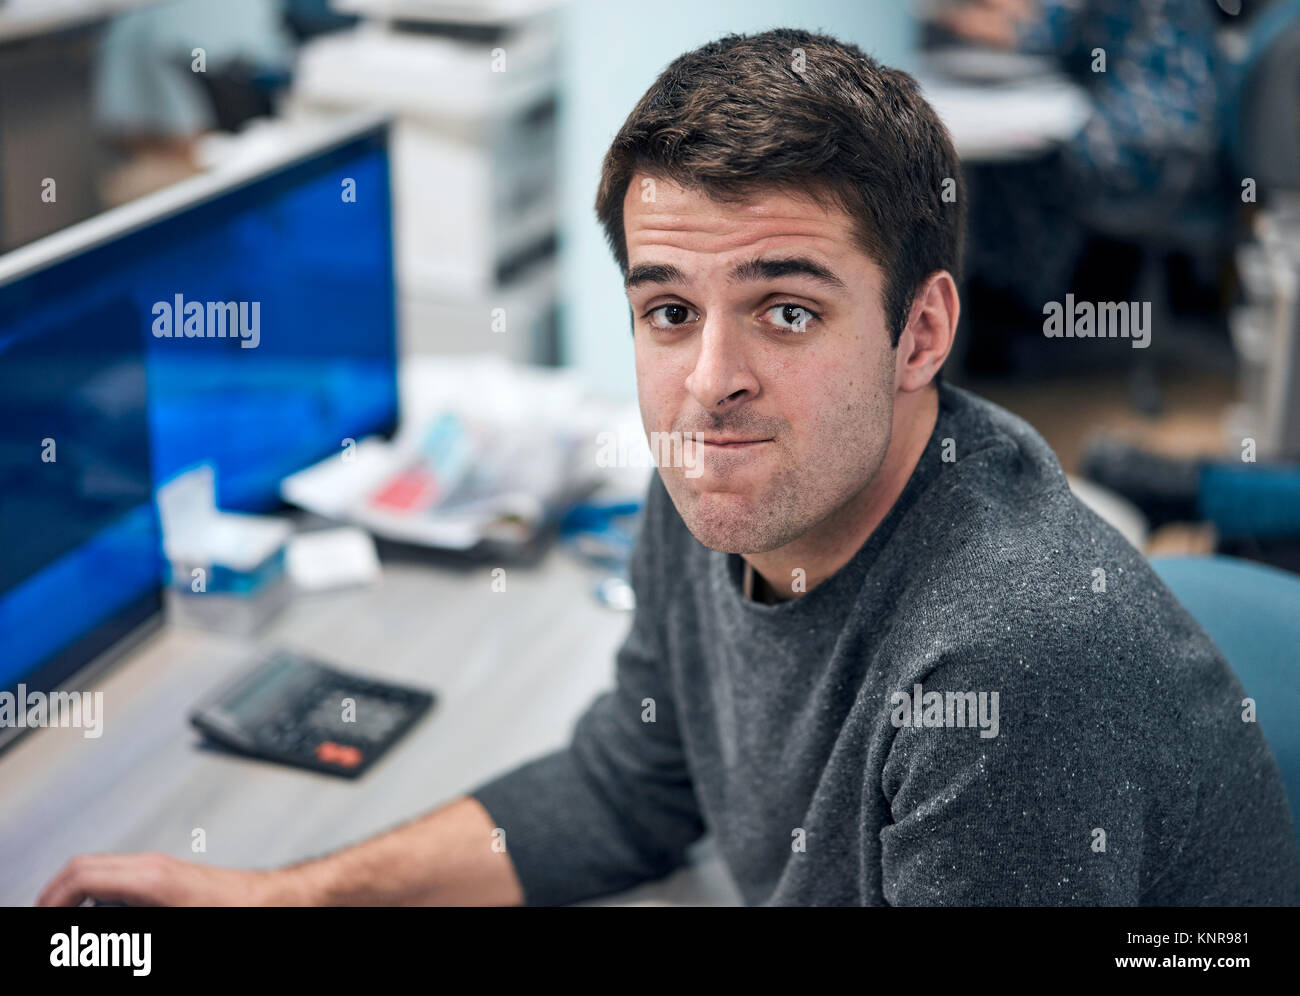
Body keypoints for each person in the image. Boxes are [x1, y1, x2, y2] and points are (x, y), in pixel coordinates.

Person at [38, 28, 1297, 907]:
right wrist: (286, 899)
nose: (708, 380)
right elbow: (633, 781)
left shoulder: (1007, 664)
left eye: (786, 311)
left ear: (921, 333)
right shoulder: (715, 480)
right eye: (667, 310)